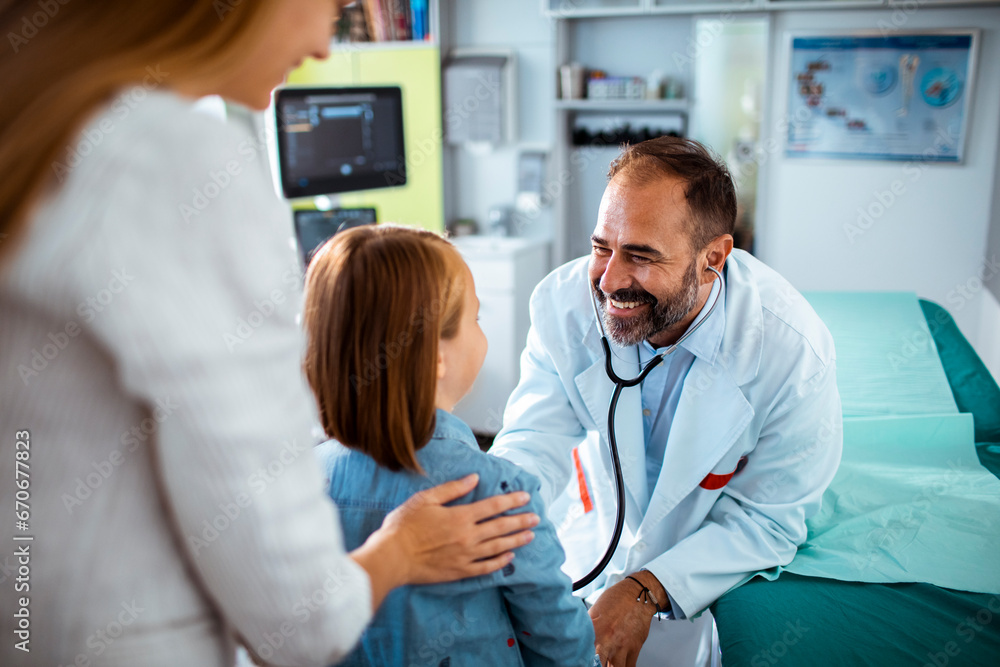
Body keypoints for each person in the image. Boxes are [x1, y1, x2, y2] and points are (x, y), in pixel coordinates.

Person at [0, 2, 535, 665]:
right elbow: (301, 620)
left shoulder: (40, 124)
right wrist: (400, 549)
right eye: (327, 6)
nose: (323, 44)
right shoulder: (173, 159)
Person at [490, 136, 843, 667]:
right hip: (591, 532)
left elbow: (769, 518)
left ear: (713, 260)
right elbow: (533, 439)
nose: (608, 280)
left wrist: (647, 587)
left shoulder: (792, 354)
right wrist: (493, 522)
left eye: (640, 256)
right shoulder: (563, 305)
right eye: (602, 247)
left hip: (694, 569)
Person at [304, 225, 597, 666]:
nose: (482, 331)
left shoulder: (302, 484)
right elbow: (560, 641)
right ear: (436, 357)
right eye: (475, 319)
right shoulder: (497, 492)